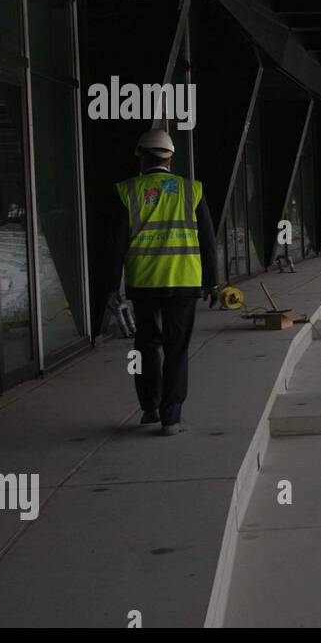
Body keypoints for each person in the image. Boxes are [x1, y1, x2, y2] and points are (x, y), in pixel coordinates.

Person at [107, 127, 218, 436]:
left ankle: (149, 408)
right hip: (184, 281)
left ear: (141, 158)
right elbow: (208, 241)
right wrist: (213, 282)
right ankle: (171, 418)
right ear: (170, 157)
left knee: (145, 346)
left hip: (143, 283)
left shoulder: (126, 191)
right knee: (176, 348)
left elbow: (115, 247)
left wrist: (111, 289)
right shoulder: (191, 190)